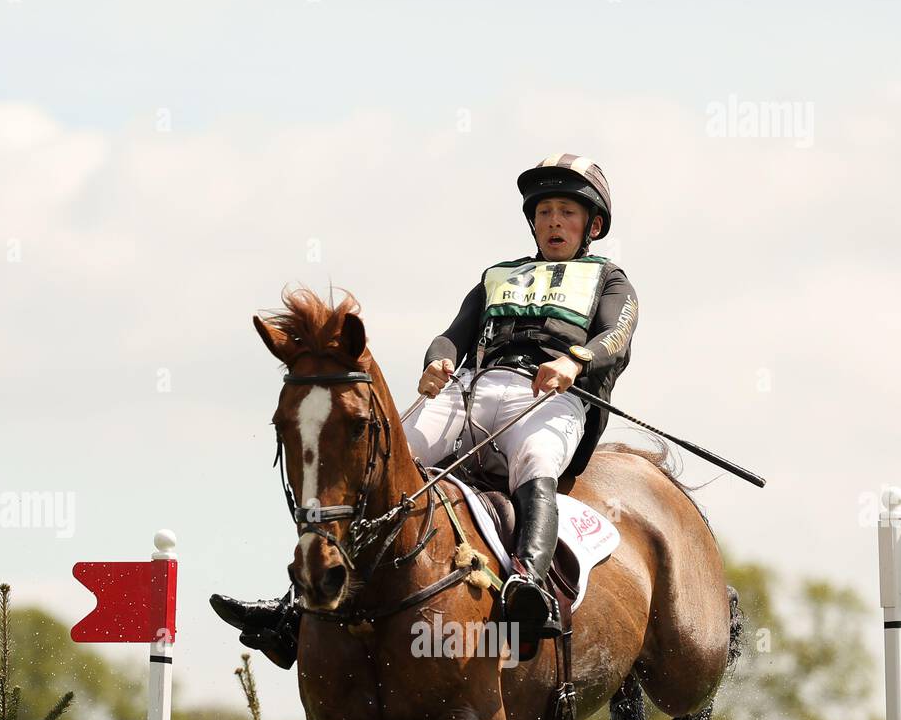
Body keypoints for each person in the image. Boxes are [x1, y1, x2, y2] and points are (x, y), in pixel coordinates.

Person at [212, 153, 639, 665]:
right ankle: (295, 609)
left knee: (535, 459)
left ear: (591, 225)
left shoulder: (609, 278)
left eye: (566, 212)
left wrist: (576, 360)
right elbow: (452, 333)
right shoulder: (498, 275)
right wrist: (438, 362)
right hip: (468, 389)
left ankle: (528, 584)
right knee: (387, 460)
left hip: (550, 396)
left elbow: (617, 334)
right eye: (544, 211)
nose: (553, 221)